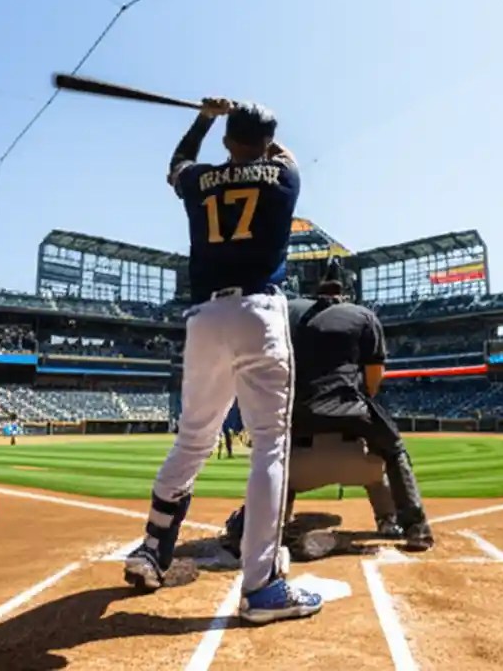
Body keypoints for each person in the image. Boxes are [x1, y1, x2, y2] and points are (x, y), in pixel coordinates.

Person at [124, 98, 320, 625]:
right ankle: (262, 587)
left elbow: (177, 163)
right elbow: (282, 151)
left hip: (205, 317)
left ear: (229, 141)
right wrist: (245, 129)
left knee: (193, 437)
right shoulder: (283, 176)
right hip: (260, 312)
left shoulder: (200, 179)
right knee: (269, 448)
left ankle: (150, 549)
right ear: (264, 142)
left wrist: (207, 117)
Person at [221, 261, 433, 553]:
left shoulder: (290, 311)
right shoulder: (364, 316)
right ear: (345, 292)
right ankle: (414, 527)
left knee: (271, 453)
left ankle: (249, 526)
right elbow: (373, 382)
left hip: (296, 417)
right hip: (351, 414)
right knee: (394, 449)